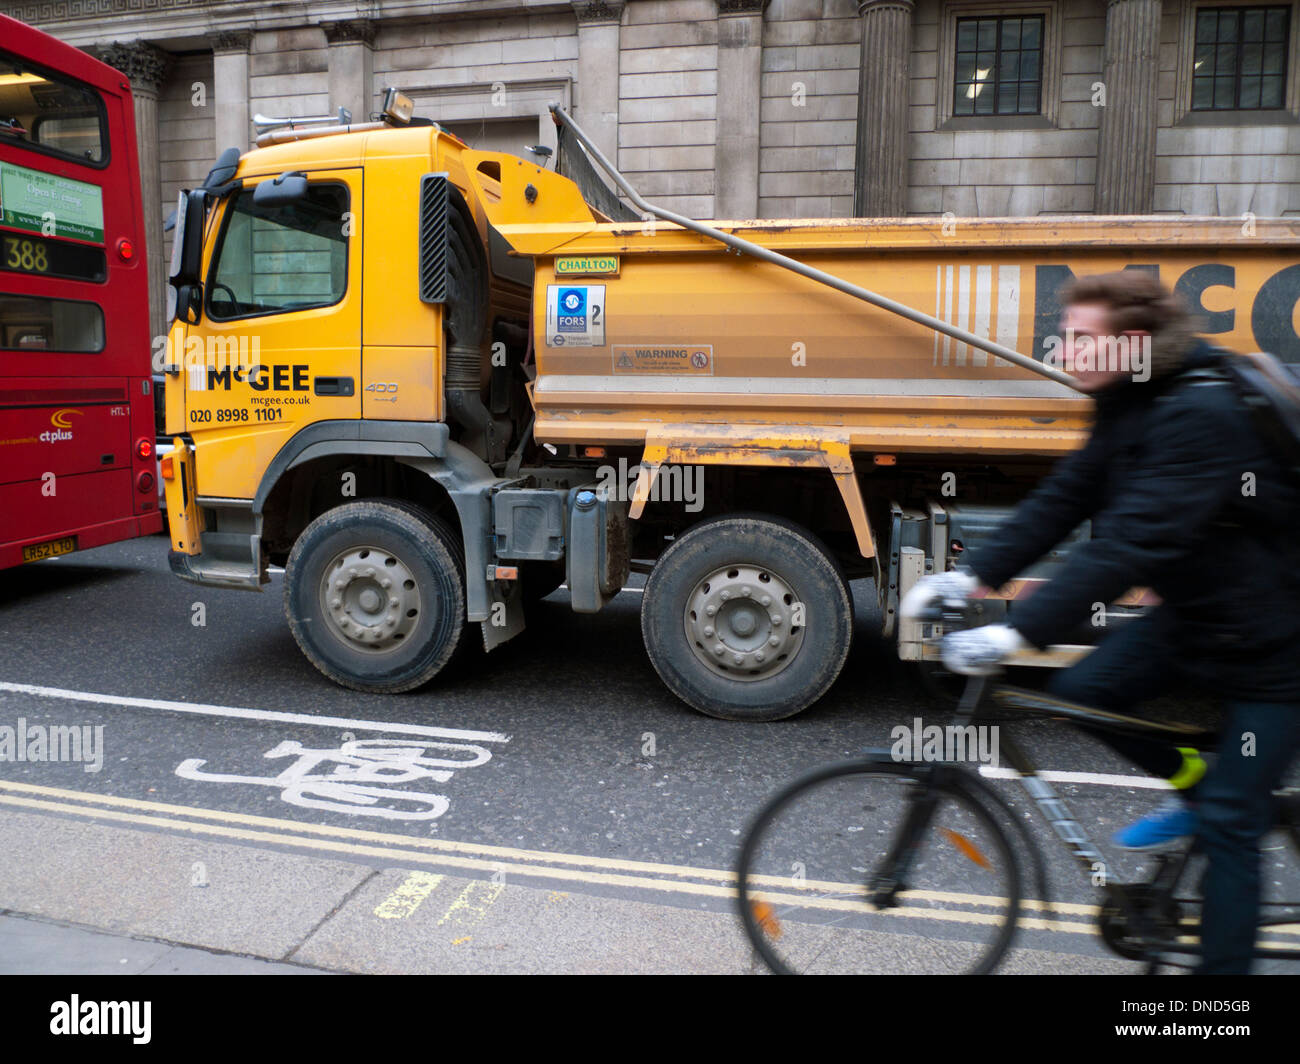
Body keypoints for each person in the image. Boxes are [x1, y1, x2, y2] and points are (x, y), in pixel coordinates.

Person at [900, 271, 1300, 974]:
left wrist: (1016, 632)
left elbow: (1132, 543)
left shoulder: (1200, 414)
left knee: (1235, 825)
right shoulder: (1128, 400)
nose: (1066, 351)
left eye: (1083, 339)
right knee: (1083, 692)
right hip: (1204, 616)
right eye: (1066, 336)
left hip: (1278, 645)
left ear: (1135, 345)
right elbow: (1069, 495)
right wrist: (972, 574)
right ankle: (1201, 787)